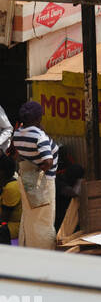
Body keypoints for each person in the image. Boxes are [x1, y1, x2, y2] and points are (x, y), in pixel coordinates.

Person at [11, 101, 59, 248]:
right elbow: (48, 161)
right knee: (43, 221)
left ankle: (28, 249)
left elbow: (19, 154)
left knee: (30, 218)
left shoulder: (18, 133)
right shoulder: (39, 137)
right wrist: (39, 173)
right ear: (38, 118)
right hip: (42, 182)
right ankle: (44, 254)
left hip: (26, 178)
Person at [0, 154, 21, 244]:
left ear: (2, 171)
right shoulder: (5, 184)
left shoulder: (11, 188)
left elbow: (4, 218)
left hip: (12, 225)